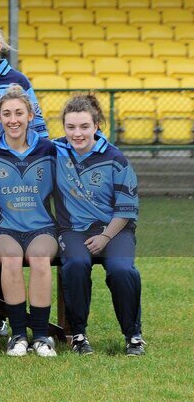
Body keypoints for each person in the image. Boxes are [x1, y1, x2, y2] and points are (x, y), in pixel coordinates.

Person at [53, 94, 144, 356]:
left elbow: (126, 208)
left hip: (115, 229)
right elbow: (21, 145)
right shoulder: (55, 151)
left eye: (84, 127)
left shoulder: (116, 158)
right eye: (71, 127)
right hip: (73, 229)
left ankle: (133, 335)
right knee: (77, 263)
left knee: (121, 269)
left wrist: (105, 237)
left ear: (96, 126)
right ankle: (78, 334)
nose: (77, 133)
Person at [0, 85, 59, 357]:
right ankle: (18, 335)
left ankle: (41, 336)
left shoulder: (49, 149)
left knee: (39, 259)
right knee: (11, 258)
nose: (13, 119)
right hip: (2, 228)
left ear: (31, 115)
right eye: (7, 114)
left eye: (19, 113)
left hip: (40, 227)